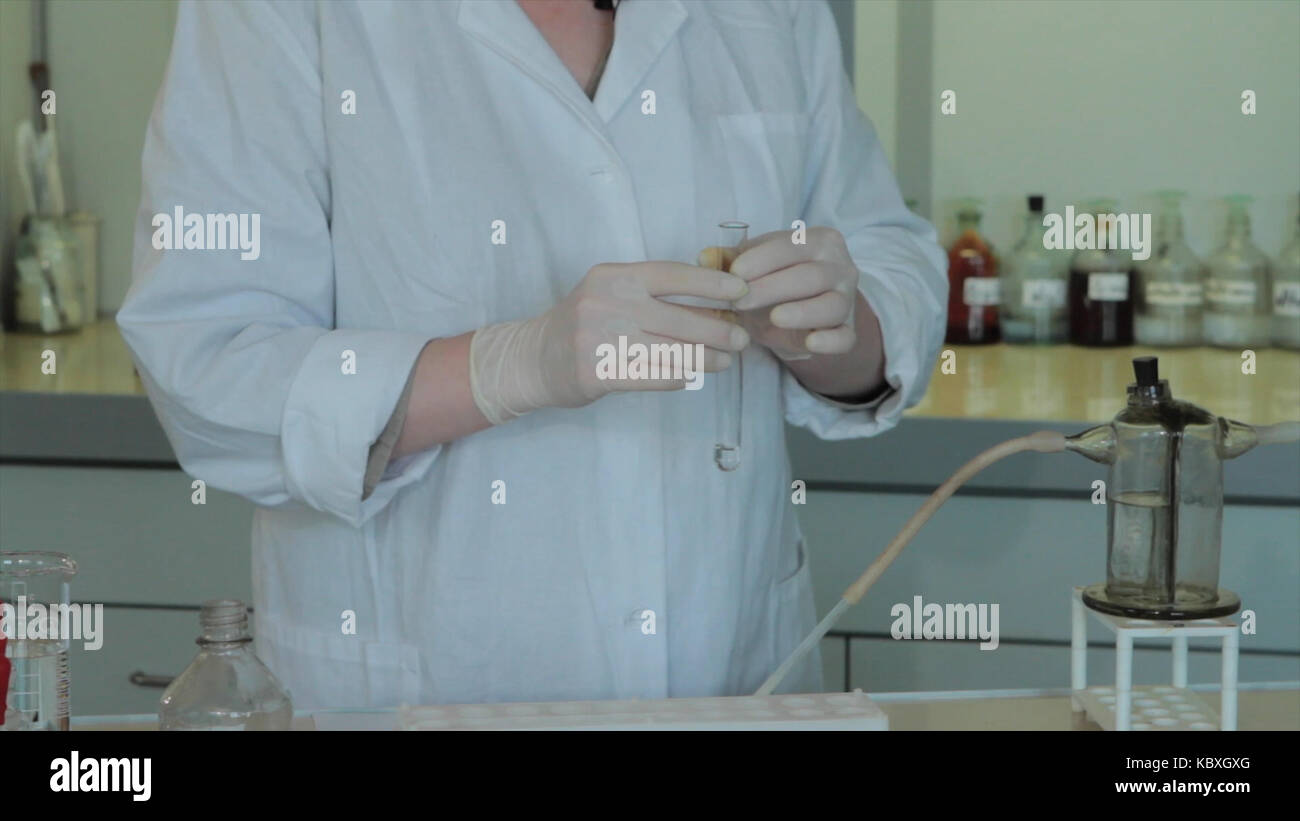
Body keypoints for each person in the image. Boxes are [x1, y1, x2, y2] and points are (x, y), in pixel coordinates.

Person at [117, 0, 946, 709]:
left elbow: (887, 256)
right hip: (415, 687)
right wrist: (510, 365)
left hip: (733, 674)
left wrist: (835, 323)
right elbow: (207, 355)